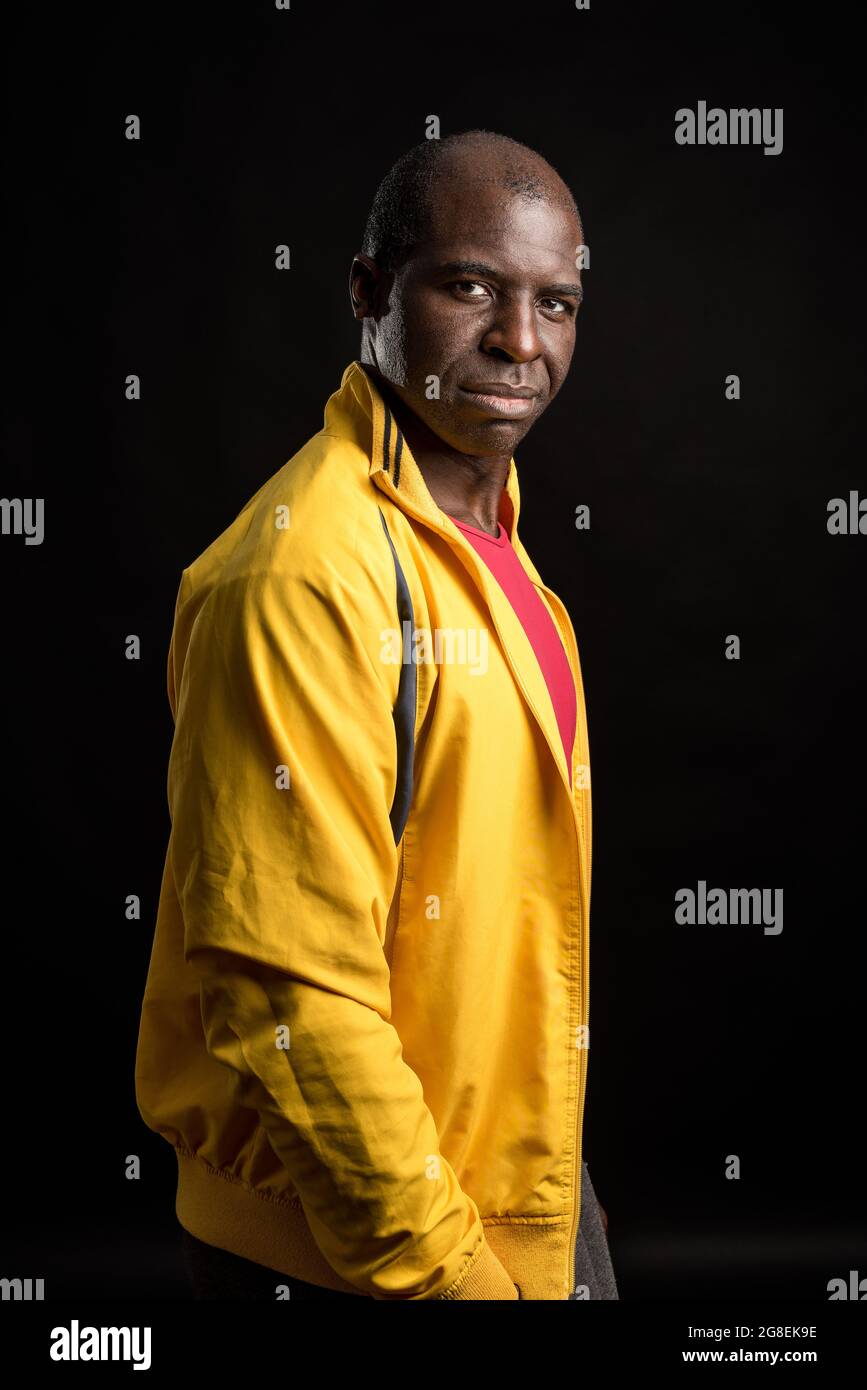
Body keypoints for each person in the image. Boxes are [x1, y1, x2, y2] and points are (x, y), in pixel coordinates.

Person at [135, 128, 618, 1301]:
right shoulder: (303, 572)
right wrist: (451, 1274)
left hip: (514, 1184)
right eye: (470, 286)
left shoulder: (493, 545)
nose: (519, 341)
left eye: (554, 303)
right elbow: (288, 999)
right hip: (363, 1247)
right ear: (368, 290)